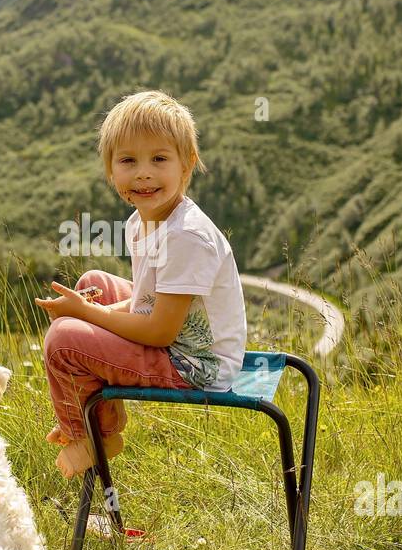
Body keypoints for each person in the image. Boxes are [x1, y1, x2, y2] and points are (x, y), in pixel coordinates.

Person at [35, 90, 248, 479]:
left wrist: (86, 315)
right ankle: (96, 425)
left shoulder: (186, 236)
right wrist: (91, 309)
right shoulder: (141, 222)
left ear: (187, 166)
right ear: (110, 170)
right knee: (94, 283)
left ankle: (90, 437)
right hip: (173, 341)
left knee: (64, 340)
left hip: (195, 366)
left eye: (159, 159)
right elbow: (146, 301)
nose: (143, 173)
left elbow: (158, 330)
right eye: (128, 161)